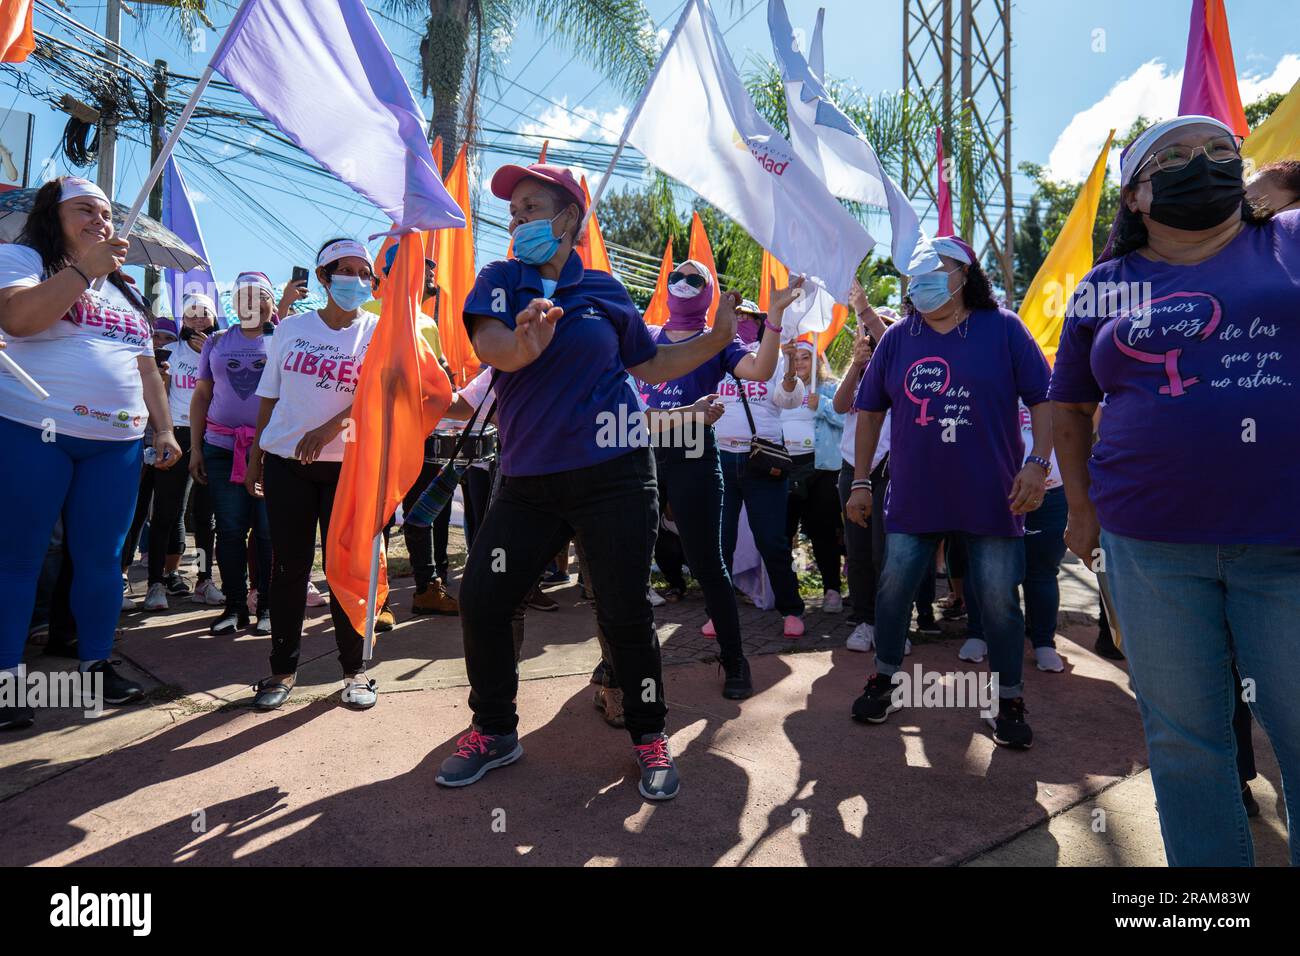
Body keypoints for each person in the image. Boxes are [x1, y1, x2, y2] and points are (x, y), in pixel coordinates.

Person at [434, 162, 738, 800]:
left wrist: (716, 339)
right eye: (513, 211)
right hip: (527, 482)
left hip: (617, 477)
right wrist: (524, 346)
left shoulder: (603, 290)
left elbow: (652, 362)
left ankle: (652, 738)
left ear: (570, 219)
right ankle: (494, 731)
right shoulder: (499, 280)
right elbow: (492, 346)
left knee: (625, 613)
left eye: (531, 208)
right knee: (485, 601)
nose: (516, 221)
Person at [1051, 115, 1300, 866]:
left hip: (1287, 545)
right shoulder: (1102, 287)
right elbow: (1069, 404)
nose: (1203, 164)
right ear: (1133, 197)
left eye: (1220, 152)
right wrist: (1084, 512)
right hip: (1151, 551)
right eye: (1176, 158)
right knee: (1185, 744)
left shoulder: (1289, 238)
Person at [845, 236, 1052, 750]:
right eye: (915, 273)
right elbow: (869, 411)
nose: (922, 282)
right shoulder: (898, 337)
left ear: (964, 274)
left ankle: (1008, 698)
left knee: (1000, 600)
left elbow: (1044, 399)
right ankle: (886, 677)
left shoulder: (1003, 328)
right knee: (893, 589)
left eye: (933, 271)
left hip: (993, 497)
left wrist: (1038, 462)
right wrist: (862, 480)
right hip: (915, 498)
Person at [0, 176, 181, 727]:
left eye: (105, 214)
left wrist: (164, 430)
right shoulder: (21, 259)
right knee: (19, 558)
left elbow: (146, 368)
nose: (100, 221)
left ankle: (96, 663)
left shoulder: (124, 291)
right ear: (52, 216)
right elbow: (18, 319)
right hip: (33, 429)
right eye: (84, 210)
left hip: (116, 444)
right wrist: (84, 270)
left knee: (103, 559)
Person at [638, 260, 796, 697]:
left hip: (694, 456)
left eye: (695, 279)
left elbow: (761, 372)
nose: (683, 284)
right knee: (627, 565)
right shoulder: (646, 337)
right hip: (644, 455)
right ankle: (619, 663)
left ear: (709, 295)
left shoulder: (718, 342)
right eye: (676, 277)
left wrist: (776, 319)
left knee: (709, 564)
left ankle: (735, 660)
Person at [244, 238, 389, 712]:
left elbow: (375, 400)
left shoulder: (378, 330)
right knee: (289, 568)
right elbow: (270, 395)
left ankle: (355, 672)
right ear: (324, 278)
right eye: (344, 270)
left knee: (347, 571)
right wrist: (256, 457)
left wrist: (327, 428)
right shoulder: (290, 329)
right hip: (287, 465)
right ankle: (282, 670)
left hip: (348, 468)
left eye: (363, 271)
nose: (356, 279)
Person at [713, 298, 807, 636]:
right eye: (734, 315)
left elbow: (790, 401)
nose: (740, 320)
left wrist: (790, 375)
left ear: (761, 320)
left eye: (747, 316)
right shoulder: (715, 352)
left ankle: (792, 610)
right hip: (720, 459)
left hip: (762, 461)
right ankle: (718, 611)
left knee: (772, 540)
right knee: (719, 542)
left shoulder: (775, 355)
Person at [189, 273, 274, 636]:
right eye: (243, 297)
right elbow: (202, 396)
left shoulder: (284, 339)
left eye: (259, 297)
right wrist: (195, 447)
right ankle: (235, 607)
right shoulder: (217, 341)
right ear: (233, 304)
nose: (251, 304)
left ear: (272, 303)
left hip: (272, 452)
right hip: (221, 449)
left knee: (270, 532)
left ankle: (268, 608)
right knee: (229, 530)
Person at [142, 295, 223, 610]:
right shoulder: (169, 353)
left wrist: (211, 359)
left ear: (213, 320)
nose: (199, 320)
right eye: (192, 315)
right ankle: (155, 585)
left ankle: (204, 581)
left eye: (205, 315)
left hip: (211, 437)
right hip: (176, 436)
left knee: (206, 517)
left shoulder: (220, 353)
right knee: (164, 513)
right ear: (183, 320)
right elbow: (155, 397)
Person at [781, 339, 846, 613]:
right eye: (794, 358)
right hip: (785, 468)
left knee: (822, 532)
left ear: (816, 360)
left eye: (805, 357)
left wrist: (822, 405)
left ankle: (831, 590)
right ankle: (785, 591)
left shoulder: (831, 387)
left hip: (822, 469)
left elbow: (848, 420)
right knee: (783, 533)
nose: (799, 363)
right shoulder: (782, 389)